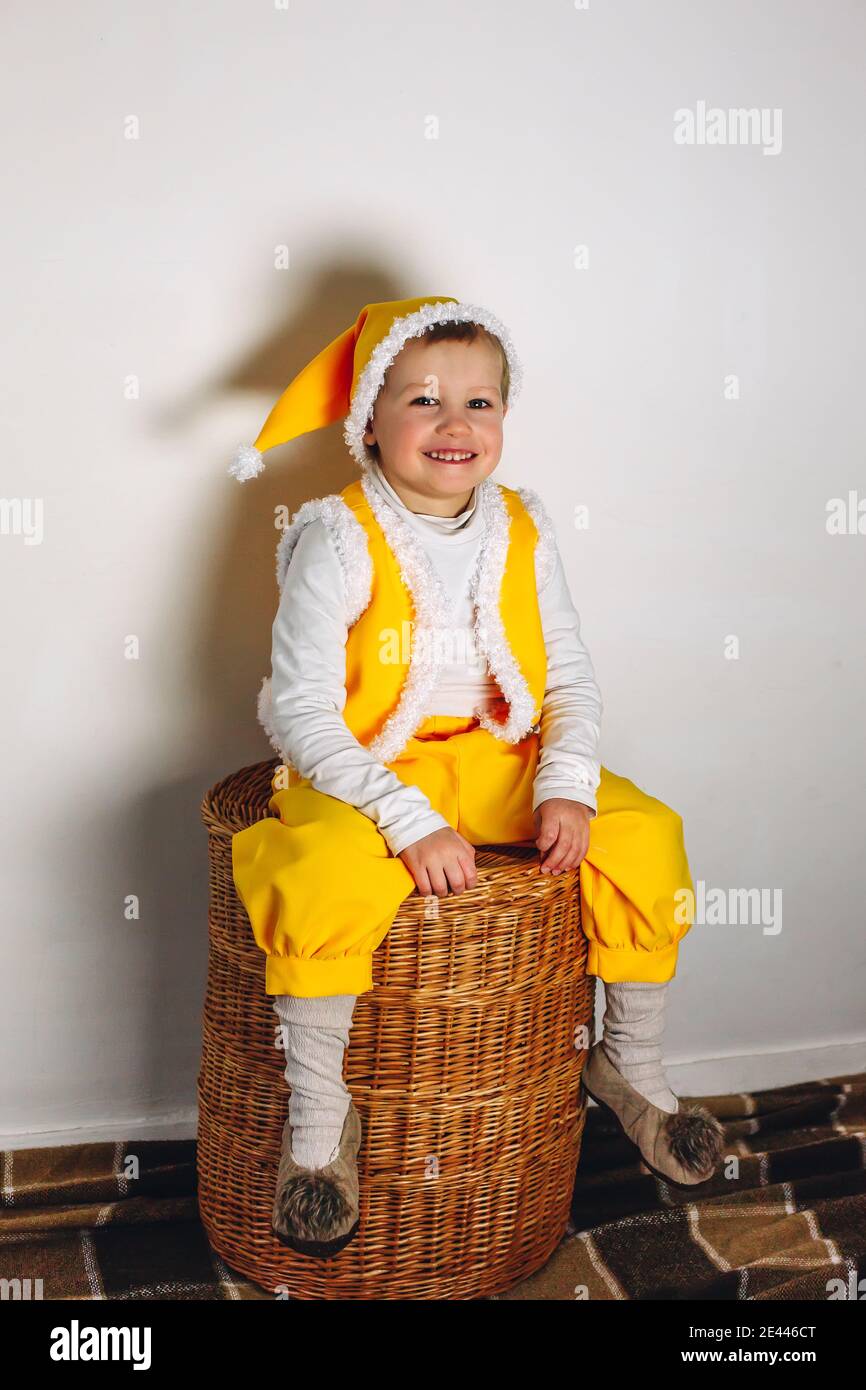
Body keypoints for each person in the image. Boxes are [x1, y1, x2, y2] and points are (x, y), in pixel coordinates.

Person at [228, 295, 724, 1257]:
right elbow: (299, 709)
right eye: (422, 401)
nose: (455, 427)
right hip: (366, 768)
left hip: (500, 756)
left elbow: (570, 676)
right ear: (369, 420)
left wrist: (567, 783)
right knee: (320, 869)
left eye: (481, 403)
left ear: (504, 418)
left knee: (647, 830)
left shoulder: (524, 530)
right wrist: (403, 817)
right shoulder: (336, 534)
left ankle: (630, 1064)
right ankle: (322, 1119)